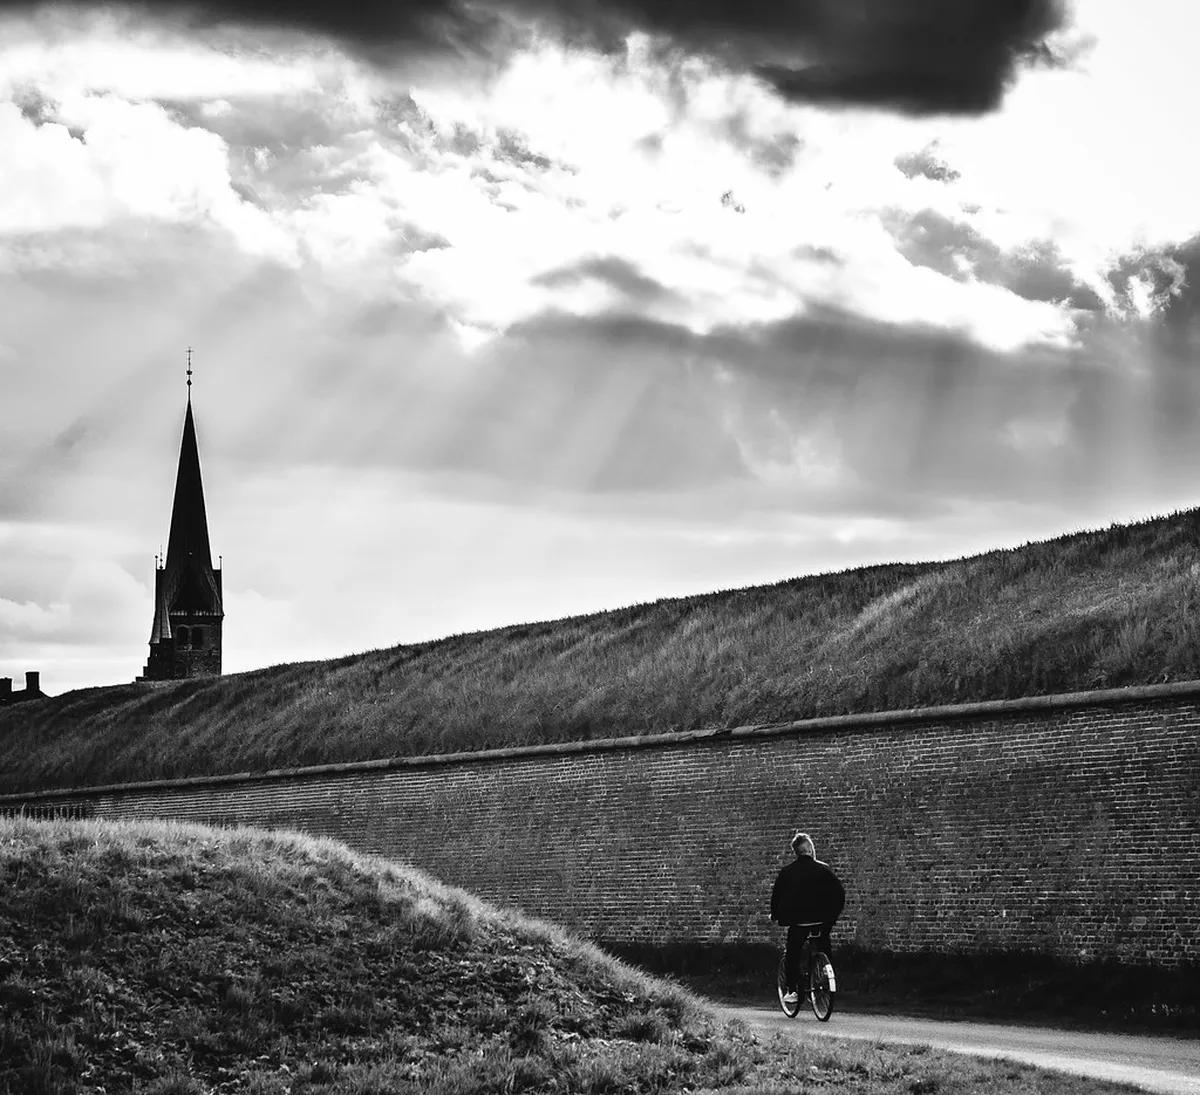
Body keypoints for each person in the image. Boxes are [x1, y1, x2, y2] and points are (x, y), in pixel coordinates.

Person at [770, 831, 845, 1005]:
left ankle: (793, 991)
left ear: (796, 852)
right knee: (824, 946)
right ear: (810, 849)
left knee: (793, 954)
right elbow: (839, 894)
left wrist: (776, 914)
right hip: (822, 921)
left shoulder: (787, 873)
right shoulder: (824, 869)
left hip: (799, 922)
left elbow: (777, 897)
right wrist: (832, 916)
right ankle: (825, 974)